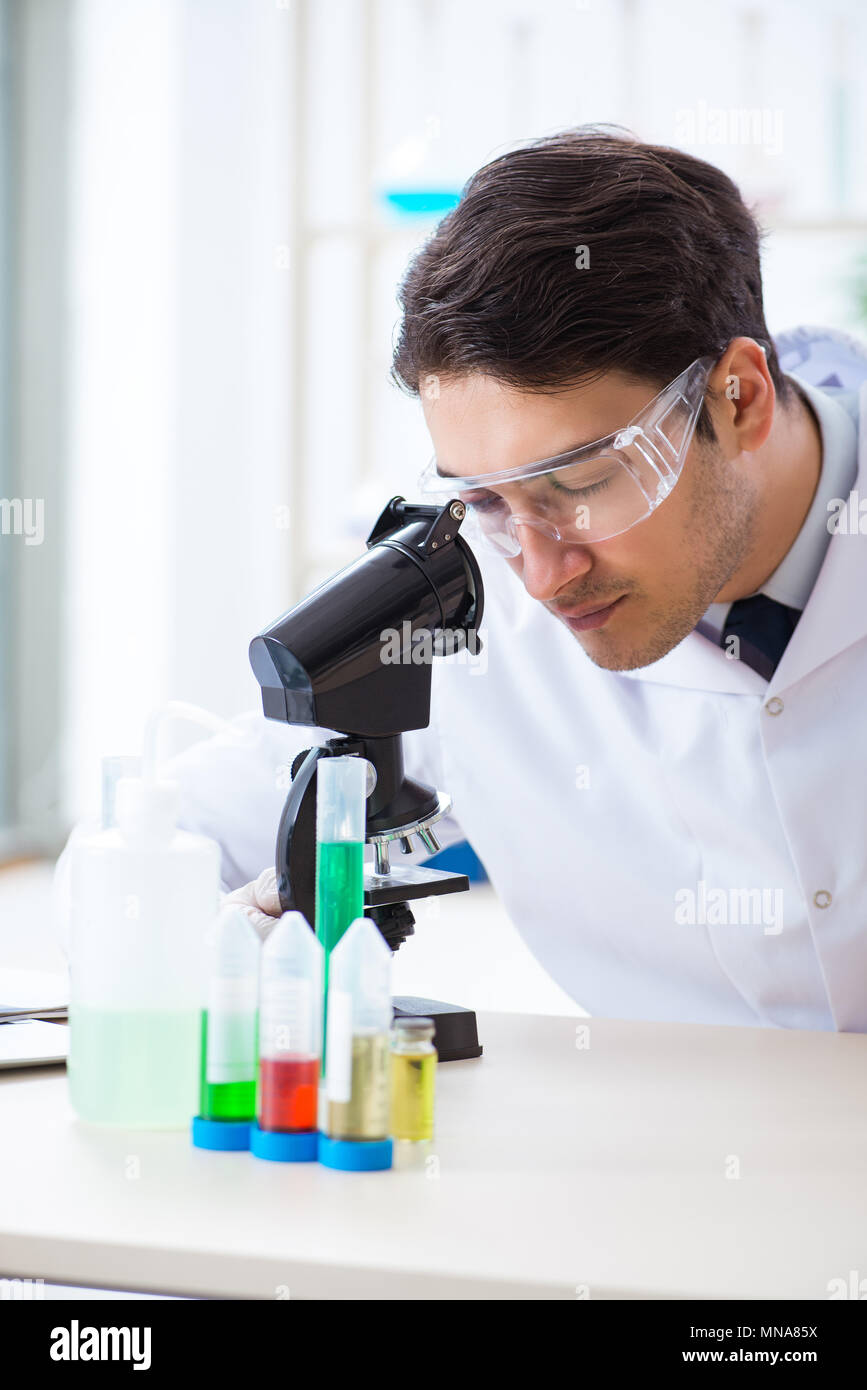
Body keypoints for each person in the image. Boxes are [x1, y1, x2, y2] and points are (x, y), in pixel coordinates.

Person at [134, 129, 867, 1030]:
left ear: (738, 397)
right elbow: (164, 843)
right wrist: (222, 951)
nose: (541, 571)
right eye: (484, 499)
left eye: (585, 485)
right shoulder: (461, 604)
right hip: (663, 1156)